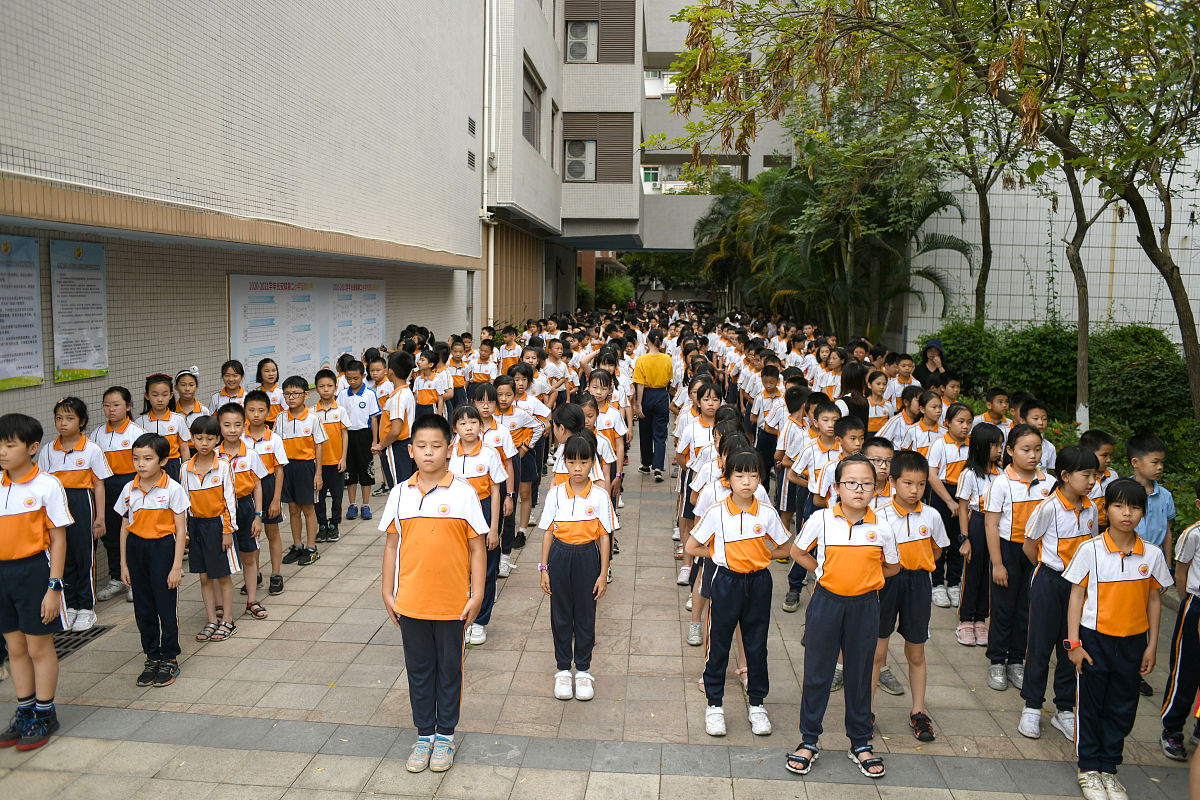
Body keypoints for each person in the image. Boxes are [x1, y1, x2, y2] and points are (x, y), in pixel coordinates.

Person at [379, 414, 487, 774]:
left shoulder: (464, 493)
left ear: (449, 449)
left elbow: (477, 548)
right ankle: (424, 734)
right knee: (419, 670)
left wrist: (478, 594)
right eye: (421, 447)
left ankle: (446, 737)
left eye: (436, 446)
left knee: (449, 671)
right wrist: (386, 590)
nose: (428, 453)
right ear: (410, 451)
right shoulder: (399, 494)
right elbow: (392, 546)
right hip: (411, 601)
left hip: (452, 603)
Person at [787, 454, 900, 778]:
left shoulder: (882, 527)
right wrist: (822, 571)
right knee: (818, 673)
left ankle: (861, 743)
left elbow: (892, 566)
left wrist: (867, 579)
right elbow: (798, 551)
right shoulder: (821, 520)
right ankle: (809, 740)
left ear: (876, 488)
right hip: (826, 603)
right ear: (837, 487)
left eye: (867, 484)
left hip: (865, 607)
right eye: (851, 483)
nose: (859, 489)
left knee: (860, 674)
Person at [1065, 478, 1171, 800]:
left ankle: (1109, 768)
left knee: (1123, 707)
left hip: (1133, 643)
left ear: (1143, 513)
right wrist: (1074, 644)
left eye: (1135, 507)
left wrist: (1151, 645)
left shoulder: (1150, 555)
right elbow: (1076, 596)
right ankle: (1089, 769)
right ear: (1105, 509)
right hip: (1094, 641)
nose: (1127, 513)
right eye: (1119, 505)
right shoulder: (1090, 550)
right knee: (1092, 706)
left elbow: (1155, 600)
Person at [687, 448, 790, 737]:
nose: (746, 481)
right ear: (727, 479)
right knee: (718, 643)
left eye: (753, 475)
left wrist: (762, 555)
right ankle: (715, 705)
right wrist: (719, 552)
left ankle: (757, 704)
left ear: (760, 479)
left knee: (757, 644)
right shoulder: (717, 512)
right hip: (726, 581)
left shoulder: (767, 513)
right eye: (739, 475)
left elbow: (785, 547)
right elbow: (692, 546)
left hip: (758, 583)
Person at [1018, 445, 1099, 741]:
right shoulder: (1048, 507)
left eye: (1095, 475)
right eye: (1086, 474)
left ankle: (1064, 708)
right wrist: (1048, 570)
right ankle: (1032, 707)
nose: (1092, 481)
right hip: (1048, 581)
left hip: (1078, 587)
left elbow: (1092, 547)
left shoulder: (1091, 508)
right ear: (1065, 476)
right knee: (1039, 645)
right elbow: (1029, 546)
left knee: (1071, 644)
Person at [0, 413, 71, 751]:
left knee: (37, 647)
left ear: (31, 448)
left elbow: (58, 540)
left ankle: (45, 712)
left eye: (9, 445)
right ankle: (25, 709)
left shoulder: (47, 485)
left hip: (35, 573)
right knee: (14, 647)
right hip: (2, 575)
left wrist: (54, 587)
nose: (2, 451)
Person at [873, 450, 948, 742]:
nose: (914, 490)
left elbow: (937, 550)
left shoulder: (931, 515)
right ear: (892, 482)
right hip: (887, 582)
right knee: (877, 653)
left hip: (918, 584)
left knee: (916, 652)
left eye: (920, 484)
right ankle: (865, 711)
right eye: (907, 483)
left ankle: (918, 712)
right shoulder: (879, 517)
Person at [539, 432, 614, 702]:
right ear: (564, 463)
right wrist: (544, 568)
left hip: (587, 558)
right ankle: (562, 670)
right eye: (572, 462)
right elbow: (547, 531)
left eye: (584, 462)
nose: (578, 468)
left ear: (593, 463)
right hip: (560, 556)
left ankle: (583, 670)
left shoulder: (600, 496)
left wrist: (603, 573)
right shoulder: (556, 494)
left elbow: (604, 536)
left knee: (585, 614)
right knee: (560, 615)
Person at [116, 433, 189, 686]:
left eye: (148, 458)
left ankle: (170, 658)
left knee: (165, 607)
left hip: (163, 549)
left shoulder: (173, 489)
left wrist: (176, 567)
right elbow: (125, 526)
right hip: (137, 550)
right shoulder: (129, 488)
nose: (141, 464)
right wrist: (124, 564)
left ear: (163, 460)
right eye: (136, 458)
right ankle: (151, 656)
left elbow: (181, 530)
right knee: (143, 609)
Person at [983, 424, 1050, 692]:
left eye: (1037, 449)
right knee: (1003, 608)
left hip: (1036, 554)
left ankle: (1016, 661)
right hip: (1008, 551)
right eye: (1025, 450)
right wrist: (997, 564)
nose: (1033, 455)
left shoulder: (1050, 483)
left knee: (1026, 609)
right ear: (1010, 451)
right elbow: (991, 526)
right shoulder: (1001, 483)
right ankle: (997, 661)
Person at [37, 398, 110, 632]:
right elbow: (43, 485)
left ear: (82, 421)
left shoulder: (92, 449)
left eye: (69, 418)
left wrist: (100, 518)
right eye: (59, 418)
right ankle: (69, 603)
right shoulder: (48, 449)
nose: (63, 423)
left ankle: (87, 606)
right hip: (57, 505)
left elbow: (98, 485)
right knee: (62, 556)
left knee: (83, 556)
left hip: (82, 503)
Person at [448, 405, 505, 646]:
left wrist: (493, 529)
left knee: (486, 568)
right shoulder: (450, 453)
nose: (468, 427)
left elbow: (495, 492)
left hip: (483, 511)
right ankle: (463, 616)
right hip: (457, 514)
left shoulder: (489, 453)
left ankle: (480, 621)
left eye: (473, 422)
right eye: (462, 423)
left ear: (481, 427)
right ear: (455, 429)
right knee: (461, 568)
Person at [182, 416, 239, 642]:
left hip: (217, 526)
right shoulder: (185, 468)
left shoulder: (223, 466)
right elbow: (184, 504)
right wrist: (186, 533)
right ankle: (211, 620)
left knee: (223, 576)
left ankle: (227, 619)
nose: (203, 443)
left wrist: (228, 530)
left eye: (209, 438)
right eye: (198, 438)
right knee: (204, 578)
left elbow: (230, 501)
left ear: (217, 440)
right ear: (192, 439)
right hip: (196, 527)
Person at [93, 387, 146, 603]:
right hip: (105, 488)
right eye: (107, 405)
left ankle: (135, 580)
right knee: (112, 536)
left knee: (132, 534)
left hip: (131, 485)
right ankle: (116, 578)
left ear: (128, 406)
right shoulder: (96, 434)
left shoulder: (137, 433)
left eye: (116, 405)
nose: (111, 409)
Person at [216, 404, 268, 615]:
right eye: (227, 425)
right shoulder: (213, 455)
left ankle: (252, 601)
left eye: (237, 425)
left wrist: (258, 516)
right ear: (219, 427)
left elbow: (257, 485)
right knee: (220, 559)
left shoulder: (251, 454)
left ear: (244, 426)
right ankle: (220, 605)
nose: (232, 429)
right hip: (221, 510)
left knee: (249, 556)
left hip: (246, 507)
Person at [1161, 478, 1200, 761]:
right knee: (1185, 670)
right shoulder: (1193, 534)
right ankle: (1172, 728)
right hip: (1195, 606)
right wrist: (1187, 602)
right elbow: (1182, 572)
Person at [954, 423, 1003, 646]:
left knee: (989, 571)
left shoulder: (1002, 474)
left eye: (1001, 445)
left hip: (996, 525)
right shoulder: (969, 474)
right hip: (977, 521)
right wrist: (964, 539)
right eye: (995, 445)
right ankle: (965, 619)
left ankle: (981, 619)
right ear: (982, 446)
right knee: (972, 570)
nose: (999, 450)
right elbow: (963, 507)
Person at [926, 401, 972, 608]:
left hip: (965, 495)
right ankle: (937, 583)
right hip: (943, 493)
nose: (965, 426)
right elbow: (932, 476)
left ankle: (953, 582)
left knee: (959, 539)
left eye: (969, 422)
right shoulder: (939, 444)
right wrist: (949, 501)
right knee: (939, 540)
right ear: (947, 423)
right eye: (960, 421)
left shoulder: (973, 444)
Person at [277, 376, 327, 567]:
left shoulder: (313, 417)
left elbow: (319, 447)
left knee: (308, 508)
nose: (291, 398)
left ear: (306, 395)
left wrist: (318, 473)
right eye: (287, 394)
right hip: (287, 467)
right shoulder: (281, 418)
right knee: (292, 508)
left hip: (307, 467)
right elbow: (277, 445)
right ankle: (297, 545)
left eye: (295, 394)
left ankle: (311, 547)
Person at [244, 391, 288, 596]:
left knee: (272, 532)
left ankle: (276, 574)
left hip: (269, 486)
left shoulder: (274, 439)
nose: (255, 414)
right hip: (246, 488)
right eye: (251, 410)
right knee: (252, 535)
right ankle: (255, 574)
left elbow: (279, 470)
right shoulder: (240, 438)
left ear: (268, 412)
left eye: (261, 410)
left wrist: (276, 499)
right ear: (245, 411)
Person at [338, 359, 381, 522]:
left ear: (363, 376)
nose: (352, 381)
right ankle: (352, 504)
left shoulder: (370, 394)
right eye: (349, 378)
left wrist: (375, 442)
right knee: (350, 471)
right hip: (347, 436)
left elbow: (374, 420)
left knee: (366, 470)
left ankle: (366, 505)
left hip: (365, 435)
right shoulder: (342, 395)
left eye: (355, 378)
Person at [313, 369, 349, 543]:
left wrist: (343, 458)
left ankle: (334, 525)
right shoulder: (312, 412)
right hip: (318, 464)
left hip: (336, 462)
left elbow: (344, 435)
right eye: (321, 386)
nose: (326, 389)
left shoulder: (340, 410)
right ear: (316, 389)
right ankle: (321, 525)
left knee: (336, 496)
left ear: (335, 388)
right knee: (318, 497)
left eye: (329, 386)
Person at [633, 329, 672, 481]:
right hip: (662, 394)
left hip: (647, 396)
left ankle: (646, 464)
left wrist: (638, 404)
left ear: (647, 340)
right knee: (661, 432)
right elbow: (669, 379)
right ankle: (658, 467)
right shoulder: (667, 359)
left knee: (645, 431)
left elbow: (640, 385)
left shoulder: (641, 360)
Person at [135, 373, 191, 480]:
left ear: (170, 395)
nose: (160, 399)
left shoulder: (178, 419)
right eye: (155, 395)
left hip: (173, 465)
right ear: (146, 395)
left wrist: (186, 471)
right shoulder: (140, 422)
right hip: (149, 465)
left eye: (164, 395)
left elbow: (184, 449)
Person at [255, 358, 285, 427]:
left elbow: (286, 413)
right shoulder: (255, 393)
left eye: (274, 370)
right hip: (260, 426)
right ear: (260, 373)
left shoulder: (281, 392)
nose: (271, 374)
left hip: (277, 425)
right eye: (267, 371)